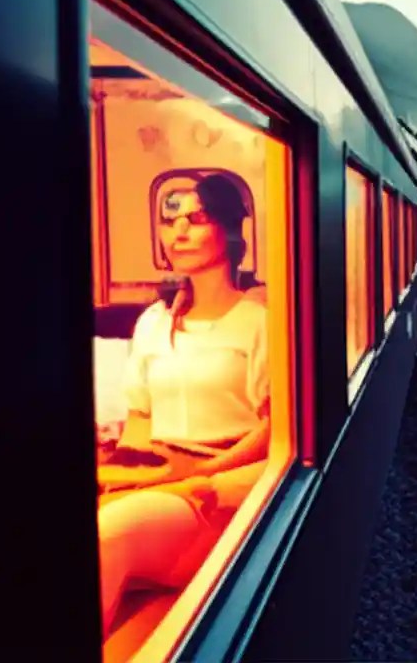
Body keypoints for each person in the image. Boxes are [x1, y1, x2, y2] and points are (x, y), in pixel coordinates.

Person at [97, 172, 269, 635]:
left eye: (198, 218)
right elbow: (140, 416)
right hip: (159, 476)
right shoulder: (152, 323)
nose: (180, 230)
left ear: (231, 232)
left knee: (106, 535)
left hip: (219, 489)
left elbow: (276, 431)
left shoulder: (259, 322)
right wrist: (123, 474)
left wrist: (202, 477)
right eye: (172, 219)